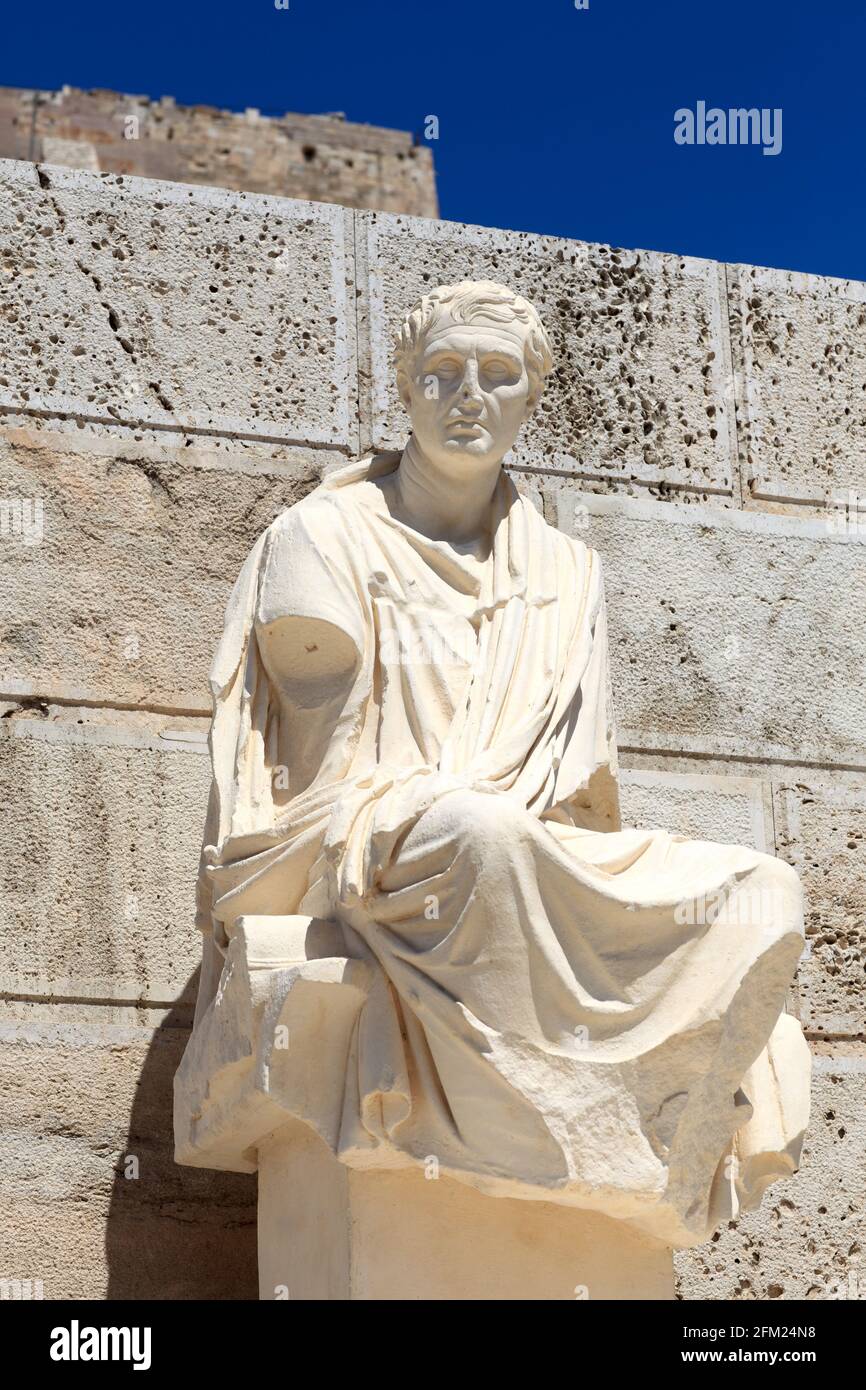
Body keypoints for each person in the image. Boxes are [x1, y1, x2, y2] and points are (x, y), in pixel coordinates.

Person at [192, 280, 810, 1246]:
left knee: (757, 886)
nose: (467, 395)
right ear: (407, 390)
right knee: (478, 832)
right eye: (441, 374)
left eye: (496, 376)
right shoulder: (323, 536)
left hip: (519, 840)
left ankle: (652, 1138)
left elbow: (577, 795)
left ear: (530, 396)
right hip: (364, 834)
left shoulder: (566, 572)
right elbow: (310, 772)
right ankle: (539, 1124)